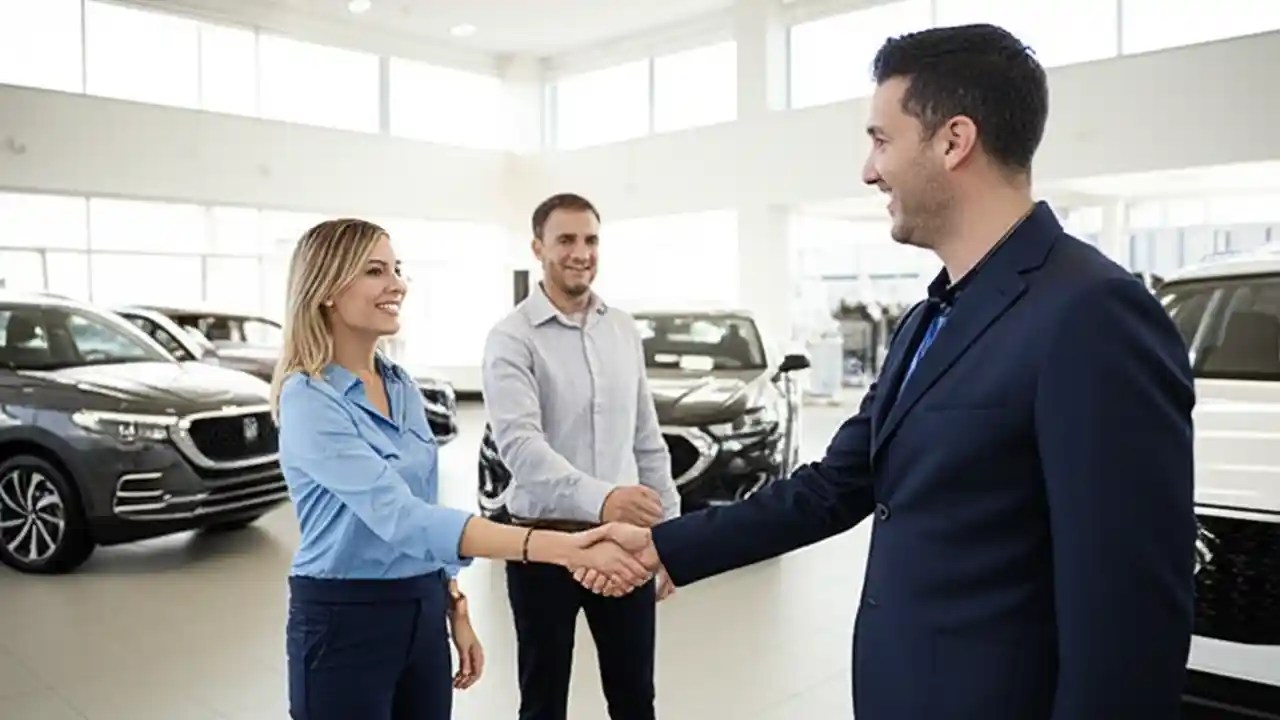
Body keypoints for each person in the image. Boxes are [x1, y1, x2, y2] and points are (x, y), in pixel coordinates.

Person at [589, 24, 1197, 720]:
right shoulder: (928, 317)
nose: (868, 170)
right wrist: (666, 543)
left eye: (881, 139)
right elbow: (837, 485)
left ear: (953, 140)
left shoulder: (1093, 314)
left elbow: (1127, 610)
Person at [272, 218, 651, 720]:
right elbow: (401, 518)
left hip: (423, 611)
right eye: (374, 271)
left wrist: (453, 604)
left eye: (397, 269)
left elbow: (425, 503)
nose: (397, 284)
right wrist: (560, 548)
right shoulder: (309, 399)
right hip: (345, 618)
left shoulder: (399, 383)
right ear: (325, 290)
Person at [482, 193, 681, 720]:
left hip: (626, 544)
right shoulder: (511, 338)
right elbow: (522, 449)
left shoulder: (621, 328)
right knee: (544, 699)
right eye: (565, 240)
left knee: (634, 695)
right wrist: (607, 500)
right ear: (537, 247)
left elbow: (646, 435)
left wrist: (674, 536)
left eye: (590, 240)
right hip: (544, 543)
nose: (580, 252)